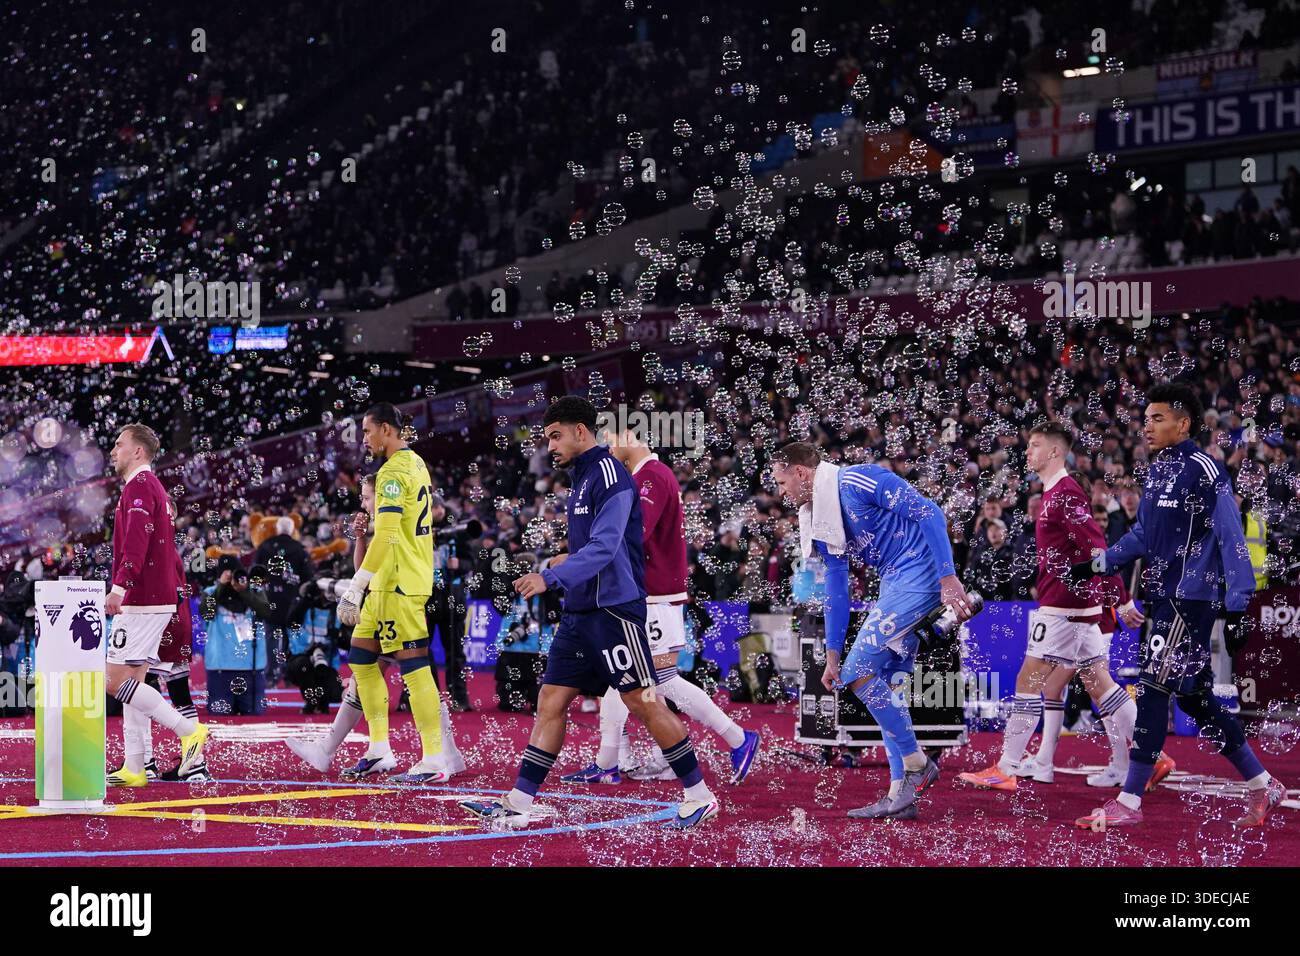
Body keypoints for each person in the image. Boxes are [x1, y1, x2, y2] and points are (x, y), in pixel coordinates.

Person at [459, 397, 720, 829]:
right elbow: (591, 548)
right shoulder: (583, 477)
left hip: (614, 611)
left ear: (582, 431)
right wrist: (565, 564)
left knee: (643, 698)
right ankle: (519, 802)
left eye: (556, 435)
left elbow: (607, 546)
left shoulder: (610, 475)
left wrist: (551, 577)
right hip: (581, 612)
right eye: (547, 438)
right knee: (551, 698)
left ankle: (699, 795)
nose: (550, 447)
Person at [1071, 383, 1284, 829]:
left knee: (1152, 687)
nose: (1146, 426)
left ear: (1183, 423)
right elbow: (1144, 536)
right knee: (1195, 697)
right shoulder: (1157, 469)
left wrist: (1238, 604)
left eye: (1158, 418)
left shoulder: (1206, 469)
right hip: (1164, 597)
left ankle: (1128, 801)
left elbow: (1230, 534)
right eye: (1145, 418)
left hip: (1193, 599)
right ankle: (1263, 783)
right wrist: (1098, 562)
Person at [770, 440, 974, 821]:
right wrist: (832, 655)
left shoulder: (858, 481)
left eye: (782, 482)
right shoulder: (820, 515)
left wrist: (948, 578)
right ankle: (901, 795)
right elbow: (836, 583)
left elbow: (929, 513)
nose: (781, 493)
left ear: (801, 472)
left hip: (921, 577)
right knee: (886, 686)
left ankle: (916, 762)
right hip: (896, 583)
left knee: (859, 673)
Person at [956, 422, 1162, 793]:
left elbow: (1099, 551)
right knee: (1101, 685)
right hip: (1074, 609)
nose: (1028, 452)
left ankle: (1007, 767)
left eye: (1034, 445)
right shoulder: (1055, 493)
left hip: (1064, 607)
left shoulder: (1065, 493)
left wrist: (1121, 598)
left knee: (1028, 681)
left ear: (1054, 451)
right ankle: (1155, 756)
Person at [562, 426, 760, 786]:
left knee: (658, 680)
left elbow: (633, 533)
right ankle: (610, 761)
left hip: (654, 595)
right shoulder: (649, 475)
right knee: (623, 677)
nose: (606, 448)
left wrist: (586, 554)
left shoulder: (651, 476)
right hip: (649, 594)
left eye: (610, 439)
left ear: (628, 435)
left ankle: (736, 738)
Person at [284, 474, 465, 777]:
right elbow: (362, 568)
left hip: (395, 601)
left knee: (412, 675)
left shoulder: (395, 523)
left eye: (367, 498)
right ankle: (351, 749)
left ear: (384, 496)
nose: (363, 504)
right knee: (369, 671)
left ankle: (431, 754)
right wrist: (360, 539)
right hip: (383, 602)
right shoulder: (382, 524)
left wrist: (355, 590)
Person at [334, 403, 449, 783]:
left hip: (399, 583)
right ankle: (379, 749)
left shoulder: (392, 472)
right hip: (394, 580)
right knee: (362, 660)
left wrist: (356, 584)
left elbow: (385, 534)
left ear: (386, 429)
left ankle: (434, 759)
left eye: (367, 432)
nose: (364, 440)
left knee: (415, 670)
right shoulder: (416, 463)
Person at [104, 424, 208, 788]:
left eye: (120, 444)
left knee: (113, 680)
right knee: (133, 680)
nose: (113, 451)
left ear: (138, 452)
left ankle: (190, 732)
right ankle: (136, 764)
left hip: (143, 600)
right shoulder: (150, 488)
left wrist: (119, 588)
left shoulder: (140, 486)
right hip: (153, 598)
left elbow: (135, 543)